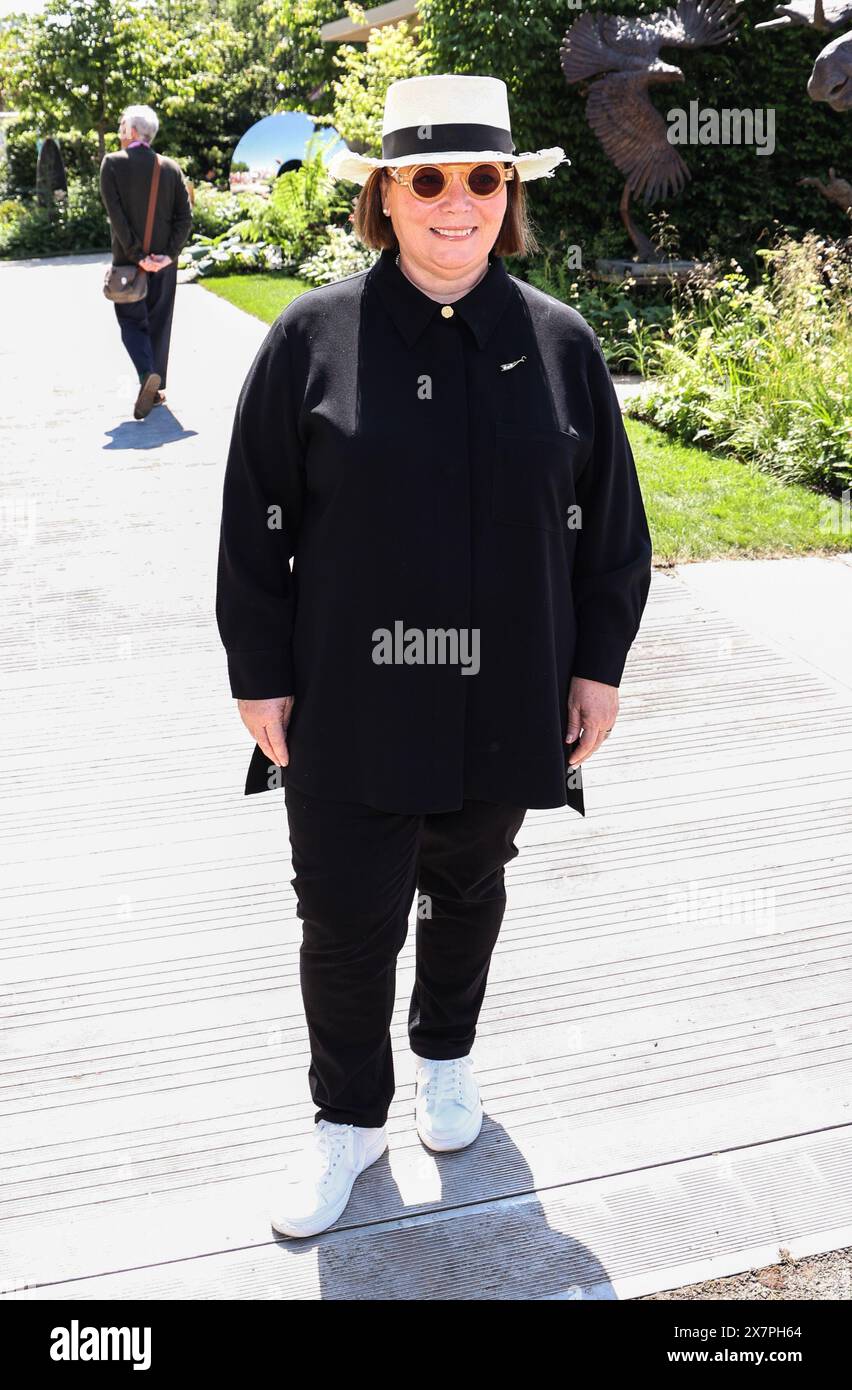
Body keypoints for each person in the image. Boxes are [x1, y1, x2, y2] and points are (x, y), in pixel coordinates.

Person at [215, 74, 653, 1239]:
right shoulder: (312, 338)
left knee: (468, 888)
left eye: (480, 177)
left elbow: (611, 527)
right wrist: (258, 670)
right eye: (427, 178)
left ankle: (447, 1059)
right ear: (385, 196)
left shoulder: (561, 342)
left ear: (506, 194)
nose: (455, 201)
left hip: (507, 697)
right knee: (345, 918)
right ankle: (346, 1123)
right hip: (350, 703)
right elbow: (255, 514)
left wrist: (597, 663)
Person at [99, 105, 193, 419]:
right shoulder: (170, 167)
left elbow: (117, 219)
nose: (119, 129)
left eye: (122, 125)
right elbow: (185, 217)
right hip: (164, 265)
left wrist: (138, 255)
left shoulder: (112, 163)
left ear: (134, 132)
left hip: (128, 265)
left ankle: (145, 375)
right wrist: (166, 254)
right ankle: (157, 387)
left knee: (130, 321)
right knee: (159, 321)